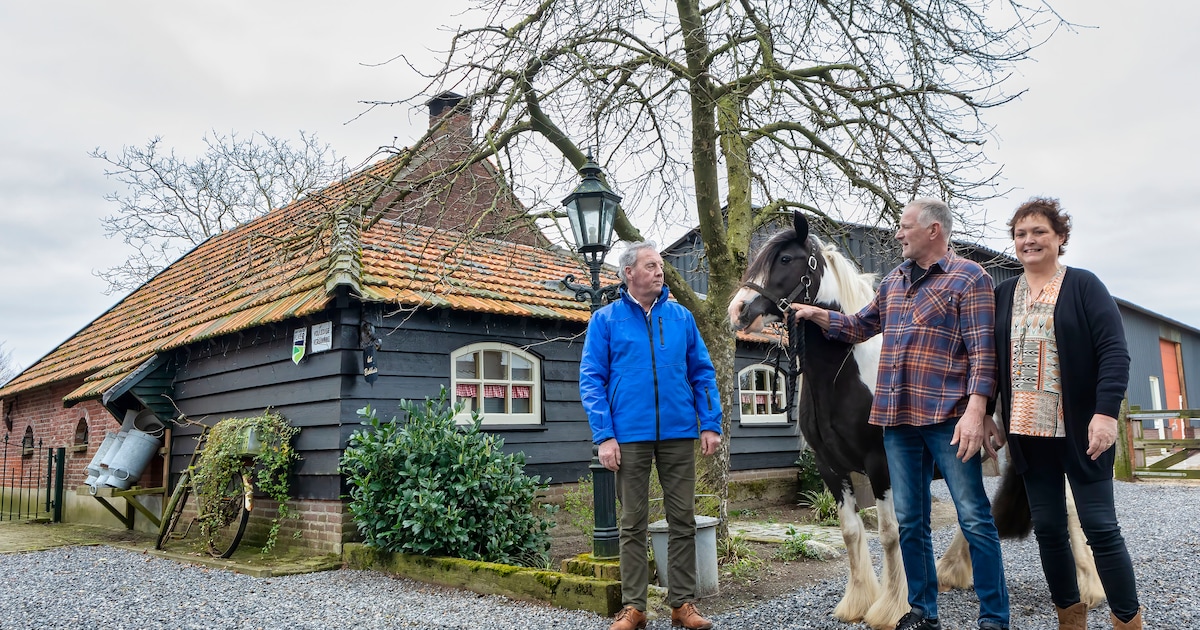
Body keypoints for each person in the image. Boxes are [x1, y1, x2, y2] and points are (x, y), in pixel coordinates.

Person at [789, 198, 1010, 630]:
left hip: (949, 420)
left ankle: (994, 617)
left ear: (933, 230)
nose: (897, 233)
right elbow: (859, 327)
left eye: (904, 226)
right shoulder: (894, 282)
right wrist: (819, 315)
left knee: (974, 517)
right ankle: (923, 612)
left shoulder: (970, 278)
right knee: (911, 522)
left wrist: (977, 411)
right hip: (898, 422)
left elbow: (984, 354)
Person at [993, 198, 1142, 630]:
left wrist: (1105, 413)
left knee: (1100, 529)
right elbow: (988, 362)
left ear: (1060, 238)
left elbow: (1115, 351)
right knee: (1051, 530)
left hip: (1081, 431)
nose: (1029, 240)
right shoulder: (1004, 294)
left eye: (1038, 232)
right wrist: (984, 411)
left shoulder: (1083, 286)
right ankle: (1070, 619)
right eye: (1021, 234)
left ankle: (1128, 620)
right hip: (1027, 433)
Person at [579, 241, 723, 630]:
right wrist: (604, 436)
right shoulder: (605, 320)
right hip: (628, 436)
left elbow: (702, 373)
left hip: (678, 432)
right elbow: (591, 380)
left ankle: (682, 605)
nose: (660, 271)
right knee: (632, 523)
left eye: (660, 265)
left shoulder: (682, 318)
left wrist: (710, 423)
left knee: (683, 519)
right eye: (651, 265)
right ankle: (634, 608)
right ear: (629, 273)